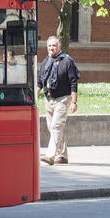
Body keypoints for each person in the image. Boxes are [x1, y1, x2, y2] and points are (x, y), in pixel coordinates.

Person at [37, 35, 80, 165]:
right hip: (49, 98)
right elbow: (40, 81)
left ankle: (50, 156)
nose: (51, 48)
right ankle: (62, 156)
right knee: (53, 128)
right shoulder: (46, 62)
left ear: (59, 47)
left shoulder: (67, 61)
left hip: (63, 99)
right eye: (49, 46)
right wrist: (34, 96)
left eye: (54, 45)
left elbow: (73, 82)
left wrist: (74, 102)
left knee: (56, 126)